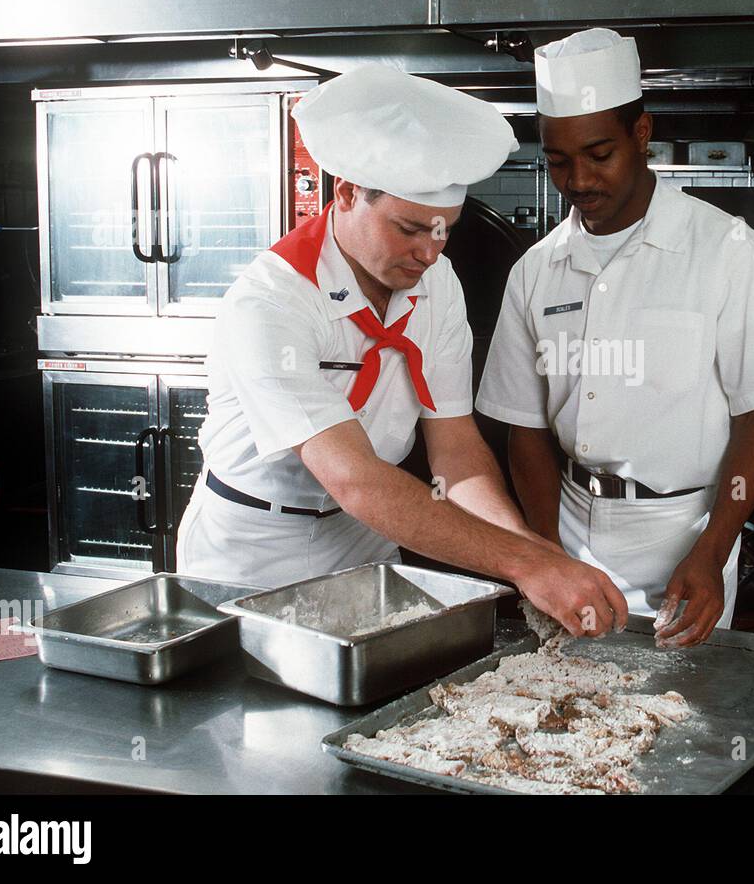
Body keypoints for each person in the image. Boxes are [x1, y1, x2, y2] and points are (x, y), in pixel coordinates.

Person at [177, 62, 629, 638]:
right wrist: (526, 563)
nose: (430, 253)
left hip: (365, 541)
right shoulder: (270, 304)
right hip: (251, 551)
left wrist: (533, 558)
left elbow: (456, 451)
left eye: (445, 230)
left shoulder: (436, 285)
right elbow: (355, 478)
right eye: (410, 229)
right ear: (345, 193)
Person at [476, 29, 754, 647]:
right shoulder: (536, 269)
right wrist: (549, 553)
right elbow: (523, 427)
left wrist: (715, 549)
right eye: (558, 161)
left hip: (687, 530)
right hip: (573, 518)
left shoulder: (726, 250)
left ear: (640, 134)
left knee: (680, 718)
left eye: (599, 154)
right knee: (567, 718)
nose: (578, 180)